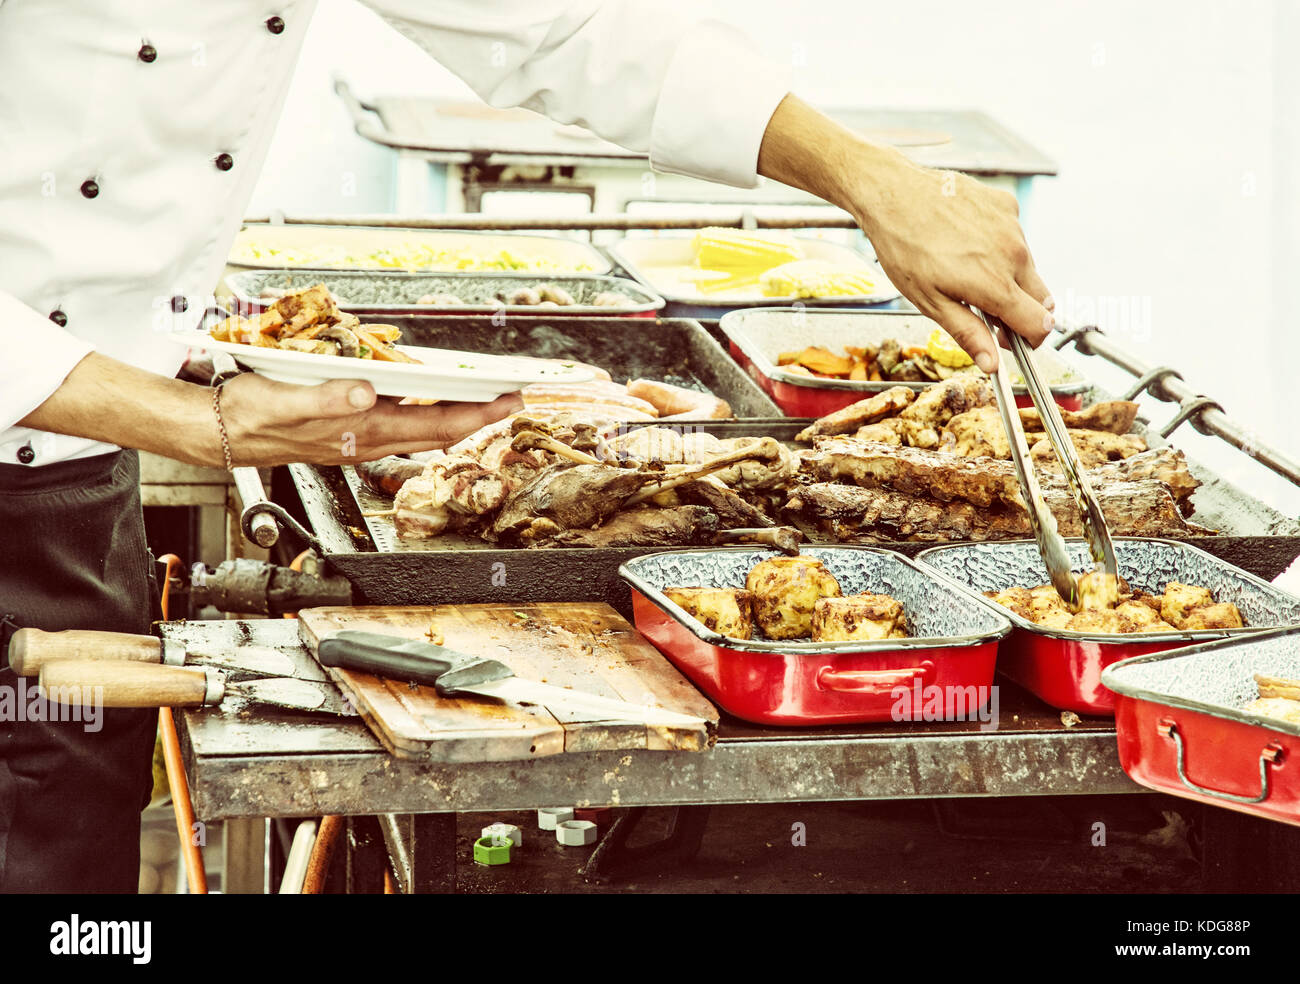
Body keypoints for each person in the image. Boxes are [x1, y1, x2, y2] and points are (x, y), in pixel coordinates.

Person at [0, 1, 1053, 893]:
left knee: (63, 852)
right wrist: (194, 424)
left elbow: (560, 29)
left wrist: (871, 178)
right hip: (78, 431)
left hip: (75, 490)